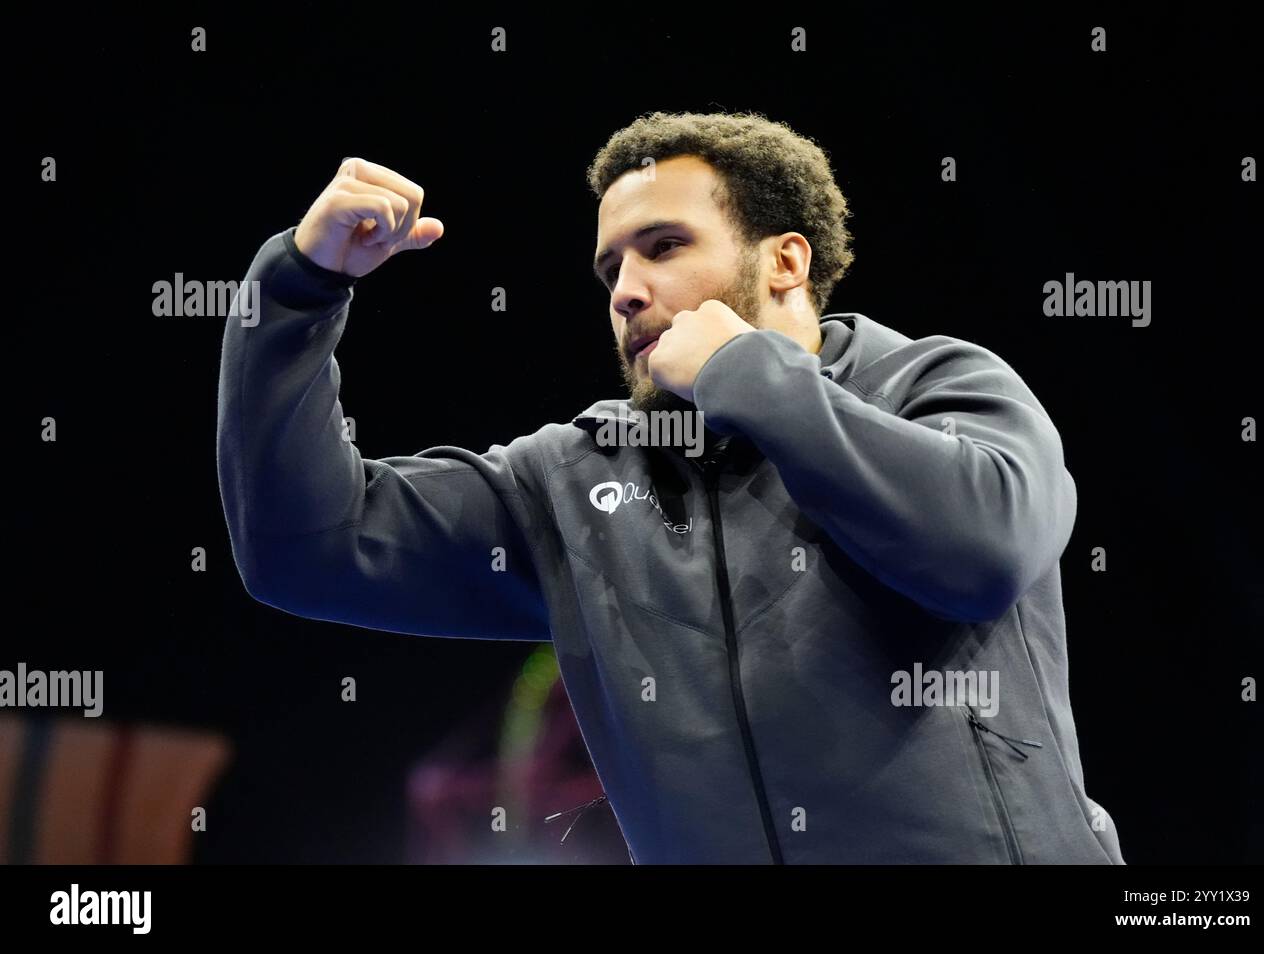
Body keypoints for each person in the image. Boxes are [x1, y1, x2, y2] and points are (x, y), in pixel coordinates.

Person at [217, 110, 1124, 864]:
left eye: (664, 246)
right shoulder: (572, 484)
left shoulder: (936, 387)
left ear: (785, 262)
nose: (627, 290)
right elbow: (308, 548)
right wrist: (299, 293)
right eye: (613, 267)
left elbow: (983, 553)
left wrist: (745, 372)